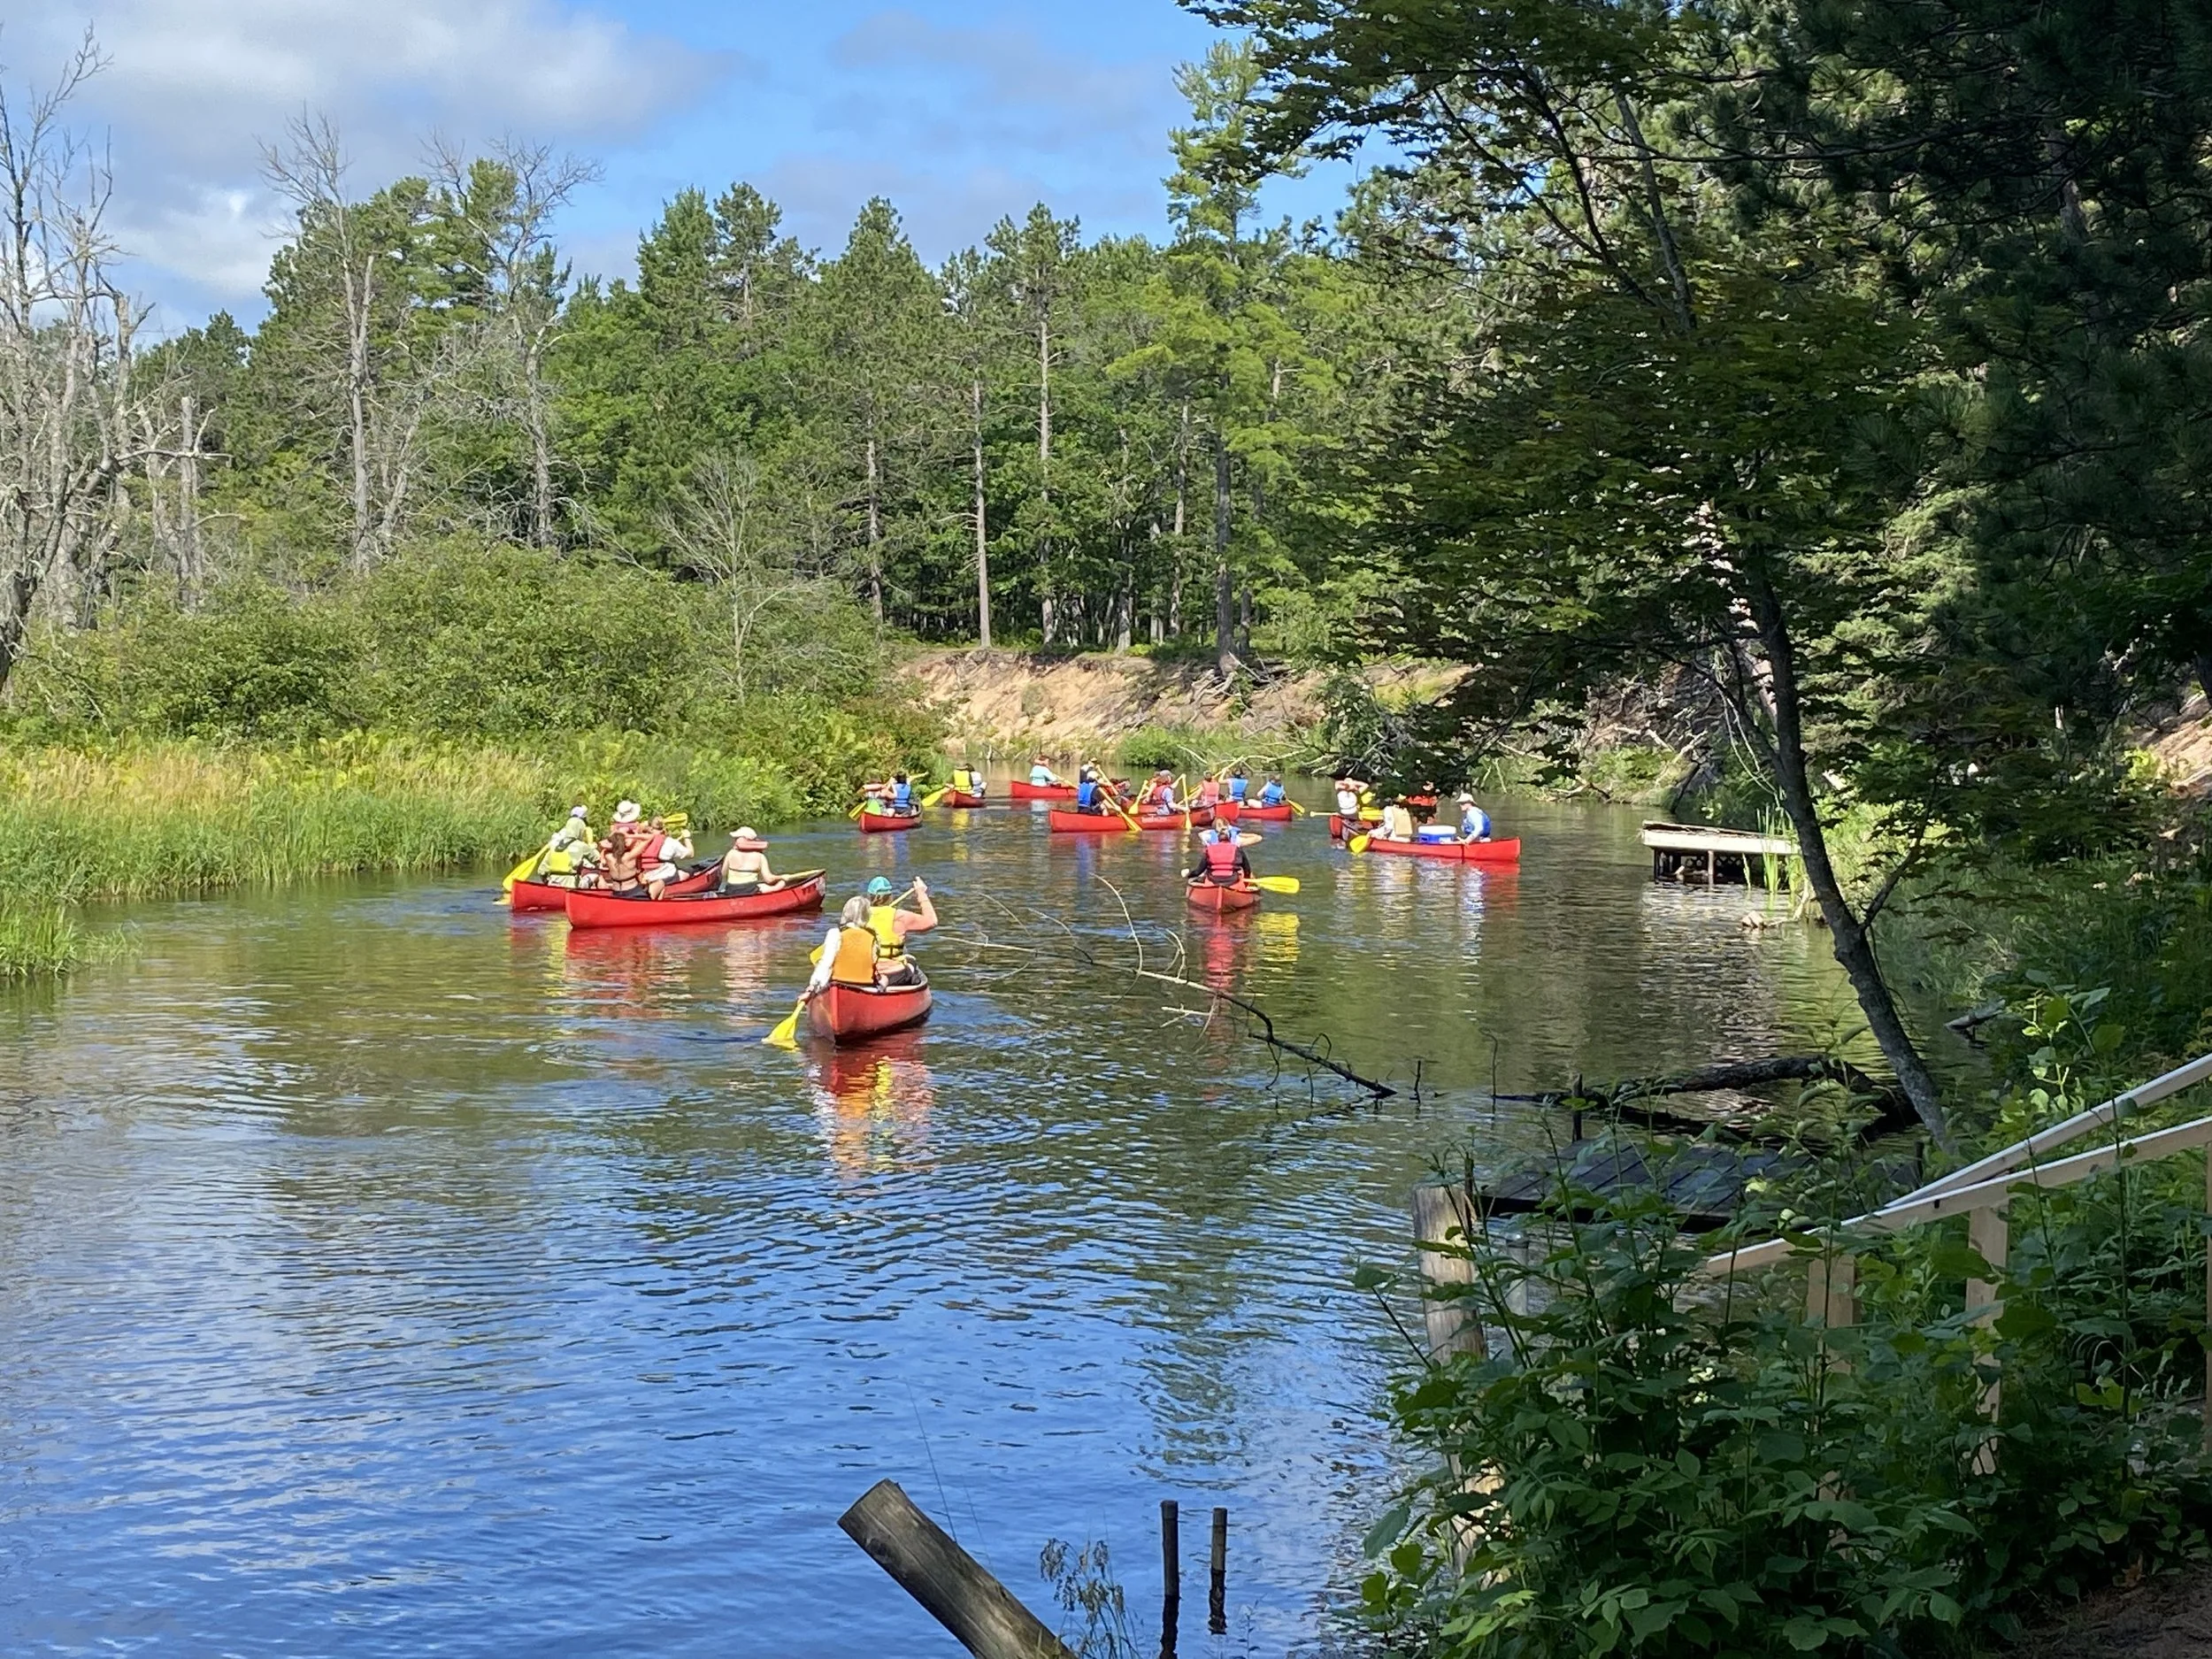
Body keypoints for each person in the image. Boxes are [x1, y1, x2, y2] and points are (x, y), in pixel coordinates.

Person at [864, 874, 937, 985]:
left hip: (867, 971)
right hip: (894, 973)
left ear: (869, 896)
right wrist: (921, 893)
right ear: (890, 897)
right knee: (911, 962)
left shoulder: (861, 916)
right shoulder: (899, 916)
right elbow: (932, 921)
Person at [719, 827, 786, 893]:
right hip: (750, 889)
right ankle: (776, 888)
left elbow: (723, 874)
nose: (734, 841)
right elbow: (769, 879)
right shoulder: (760, 856)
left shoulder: (731, 853)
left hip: (732, 889)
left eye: (736, 838)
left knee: (762, 885)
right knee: (780, 884)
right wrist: (781, 878)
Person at [1187, 820, 1254, 886]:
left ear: (1218, 839)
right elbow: (1247, 869)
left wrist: (1189, 875)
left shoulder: (1209, 849)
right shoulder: (1237, 849)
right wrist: (1246, 883)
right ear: (1229, 838)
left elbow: (1199, 870)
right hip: (1232, 880)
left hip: (1213, 880)